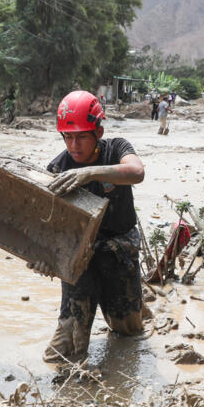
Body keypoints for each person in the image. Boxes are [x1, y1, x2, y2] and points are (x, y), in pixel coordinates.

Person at [39, 90, 146, 363]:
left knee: (129, 332)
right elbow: (51, 226)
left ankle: (135, 305)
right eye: (68, 137)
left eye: (82, 136)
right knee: (63, 352)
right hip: (79, 256)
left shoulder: (116, 148)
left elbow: (137, 173)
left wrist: (89, 172)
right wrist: (44, 258)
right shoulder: (56, 170)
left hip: (119, 248)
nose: (74, 145)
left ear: (98, 131)